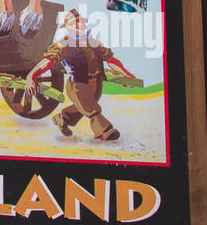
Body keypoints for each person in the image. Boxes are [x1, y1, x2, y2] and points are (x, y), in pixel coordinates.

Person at [24, 8, 132, 143]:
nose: (79, 26)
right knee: (92, 109)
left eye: (81, 23)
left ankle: (63, 117)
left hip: (96, 82)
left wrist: (126, 75)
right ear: (67, 28)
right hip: (78, 84)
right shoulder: (63, 45)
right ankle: (105, 130)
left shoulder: (94, 43)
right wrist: (31, 75)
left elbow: (111, 60)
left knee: (85, 107)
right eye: (75, 24)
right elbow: (48, 61)